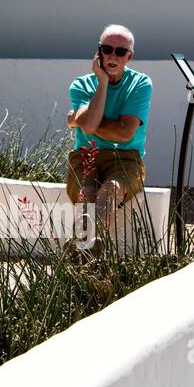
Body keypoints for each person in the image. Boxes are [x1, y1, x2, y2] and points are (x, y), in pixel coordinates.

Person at [65, 25, 153, 249]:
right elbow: (94, 125)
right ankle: (85, 247)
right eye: (107, 49)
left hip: (126, 158)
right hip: (86, 156)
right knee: (88, 192)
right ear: (99, 52)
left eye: (120, 51)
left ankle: (85, 246)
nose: (113, 55)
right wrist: (102, 83)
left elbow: (124, 133)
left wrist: (83, 122)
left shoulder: (140, 84)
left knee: (112, 188)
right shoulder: (81, 85)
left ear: (129, 56)